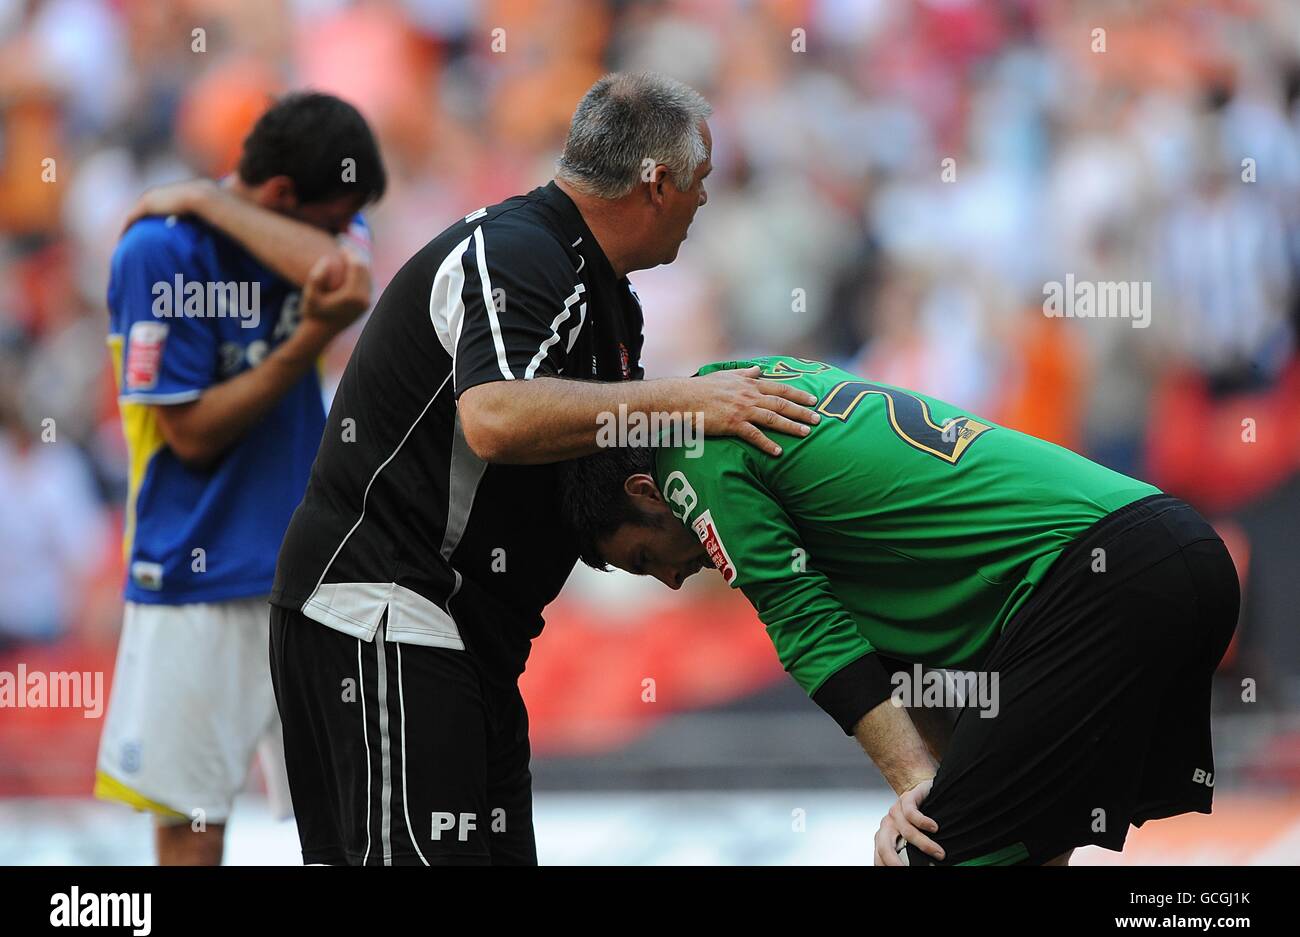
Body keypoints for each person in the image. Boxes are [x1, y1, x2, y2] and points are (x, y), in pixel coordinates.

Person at [268, 72, 819, 866]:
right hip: (385, 610)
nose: (705, 203)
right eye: (700, 184)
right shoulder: (519, 251)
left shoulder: (609, 301)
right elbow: (494, 417)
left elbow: (589, 487)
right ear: (656, 183)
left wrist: (674, 538)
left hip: (471, 640)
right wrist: (692, 401)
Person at [558, 355, 1240, 866]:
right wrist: (944, 788)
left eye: (646, 557)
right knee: (1019, 849)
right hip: (1167, 549)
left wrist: (918, 790)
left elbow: (802, 623)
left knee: (931, 853)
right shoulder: (748, 384)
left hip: (1105, 577)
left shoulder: (692, 457)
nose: (671, 582)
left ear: (648, 491)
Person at [95, 91, 386, 865]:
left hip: (309, 570)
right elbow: (189, 435)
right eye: (333, 216)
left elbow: (348, 280)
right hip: (191, 573)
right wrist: (304, 343)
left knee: (355, 815)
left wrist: (205, 199)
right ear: (286, 197)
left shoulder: (255, 220)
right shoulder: (157, 252)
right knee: (191, 824)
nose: (346, 230)